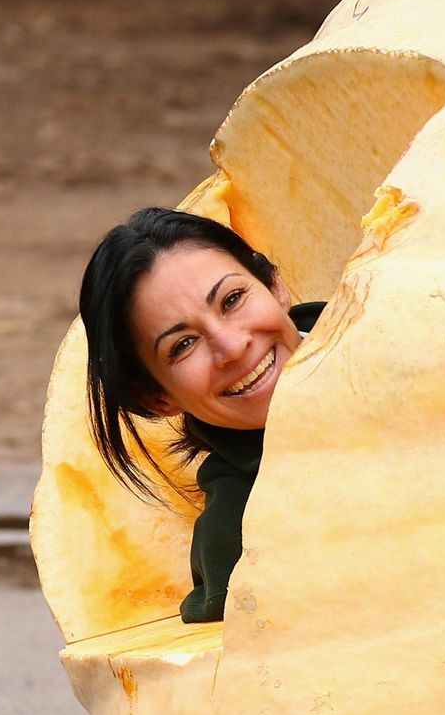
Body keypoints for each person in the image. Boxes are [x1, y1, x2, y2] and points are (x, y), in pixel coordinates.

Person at [79, 207, 324, 622]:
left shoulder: (407, 314)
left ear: (274, 286)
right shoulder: (240, 542)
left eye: (232, 300)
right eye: (183, 345)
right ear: (157, 399)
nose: (233, 346)